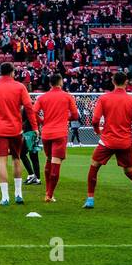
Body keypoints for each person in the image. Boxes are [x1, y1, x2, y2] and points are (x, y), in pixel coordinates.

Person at [84, 72, 132, 210]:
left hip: (107, 140)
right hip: (125, 142)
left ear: (112, 81)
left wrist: (98, 131)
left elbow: (95, 120)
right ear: (126, 82)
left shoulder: (104, 99)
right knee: (129, 171)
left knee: (94, 167)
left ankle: (90, 200)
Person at [0, 63, 38, 206]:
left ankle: (5, 197)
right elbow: (29, 107)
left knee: (2, 162)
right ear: (12, 72)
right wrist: (35, 127)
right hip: (16, 129)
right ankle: (18, 195)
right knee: (17, 159)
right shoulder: (20, 87)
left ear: (1, 73)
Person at [33, 74, 80, 202]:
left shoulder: (42, 97)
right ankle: (49, 194)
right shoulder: (67, 96)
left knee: (49, 160)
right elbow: (75, 115)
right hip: (60, 133)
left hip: (47, 133)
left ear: (50, 84)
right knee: (55, 164)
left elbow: (33, 112)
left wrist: (42, 121)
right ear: (61, 82)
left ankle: (48, 192)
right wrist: (65, 117)